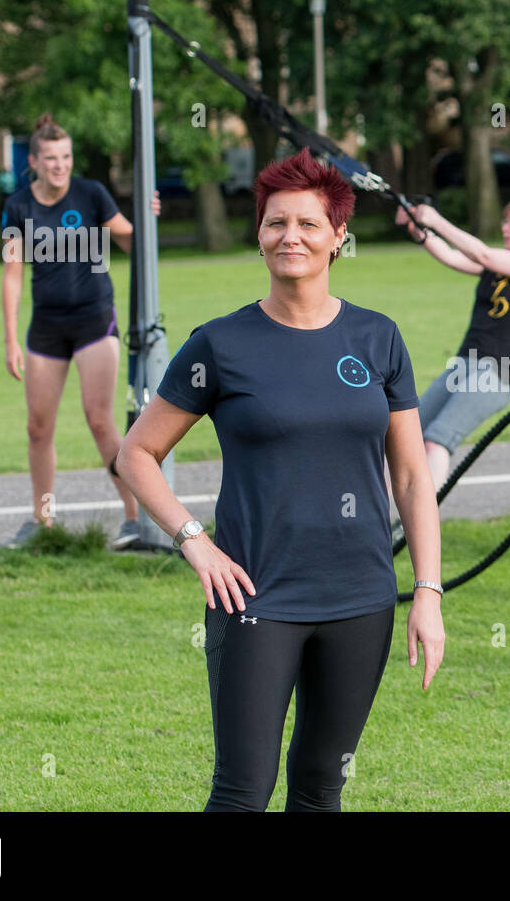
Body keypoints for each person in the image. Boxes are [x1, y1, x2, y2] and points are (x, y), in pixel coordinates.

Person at [116, 149, 445, 811]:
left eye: (308, 224)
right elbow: (136, 454)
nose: (289, 237)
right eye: (274, 223)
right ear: (258, 233)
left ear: (338, 237)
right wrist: (193, 540)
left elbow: (411, 477)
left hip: (361, 596)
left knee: (324, 785)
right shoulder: (221, 344)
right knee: (244, 790)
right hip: (255, 598)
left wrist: (428, 593)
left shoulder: (377, 338)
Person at [0, 113, 158, 550]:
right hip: (46, 327)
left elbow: (132, 241)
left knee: (99, 420)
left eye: (66, 157)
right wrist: (11, 339)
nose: (60, 165)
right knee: (37, 427)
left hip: (94, 321)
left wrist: (147, 221)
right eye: (50, 158)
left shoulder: (91, 195)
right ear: (33, 160)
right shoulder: (18, 205)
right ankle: (42, 519)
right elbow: (12, 274)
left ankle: (133, 518)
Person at [393, 197, 510, 491]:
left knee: (436, 441)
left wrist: (437, 220)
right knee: (407, 436)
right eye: (505, 221)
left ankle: (417, 526)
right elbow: (451, 256)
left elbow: (483, 254)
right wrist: (418, 228)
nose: (506, 228)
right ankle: (374, 521)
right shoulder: (493, 267)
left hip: (499, 371)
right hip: (464, 364)